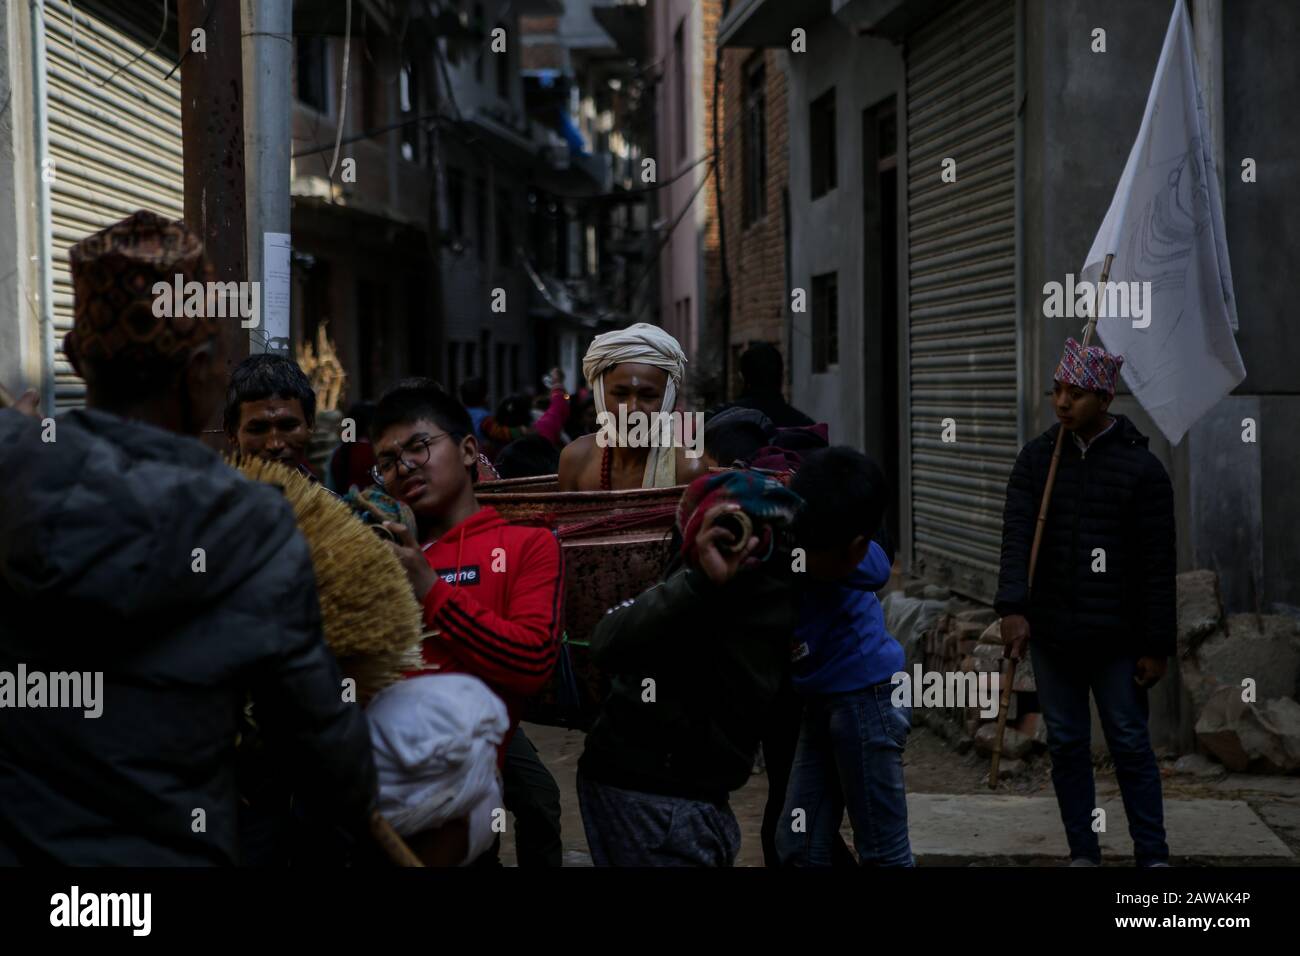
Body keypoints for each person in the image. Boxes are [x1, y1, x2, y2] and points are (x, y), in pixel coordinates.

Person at [0, 210, 375, 865]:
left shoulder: (10, 470)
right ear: (203, 368)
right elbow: (320, 750)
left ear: (72, 356)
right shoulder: (255, 527)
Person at [995, 338, 1174, 868]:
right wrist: (1012, 608)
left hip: (1117, 640)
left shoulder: (1142, 472)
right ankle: (1083, 853)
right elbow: (1015, 539)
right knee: (1068, 744)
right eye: (1058, 390)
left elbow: (1157, 565)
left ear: (1105, 398)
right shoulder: (1036, 461)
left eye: (1077, 393)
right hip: (1053, 634)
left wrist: (1157, 643)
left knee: (1129, 743)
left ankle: (1153, 855)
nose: (1062, 403)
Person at [370, 378, 564, 865]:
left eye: (419, 446)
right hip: (367, 813)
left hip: (461, 818)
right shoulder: (375, 557)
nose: (404, 465)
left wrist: (429, 589)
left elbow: (532, 661)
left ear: (470, 449)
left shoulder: (527, 546)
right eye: (388, 462)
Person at [577, 470, 803, 866]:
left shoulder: (778, 590)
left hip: (699, 797)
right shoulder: (685, 584)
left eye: (756, 525)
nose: (739, 538)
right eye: (724, 523)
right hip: (645, 792)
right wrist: (699, 585)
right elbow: (606, 644)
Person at [775, 447, 912, 867]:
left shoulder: (856, 554)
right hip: (822, 699)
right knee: (798, 846)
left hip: (865, 700)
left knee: (883, 853)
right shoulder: (787, 535)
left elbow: (875, 570)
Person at [558, 323, 708, 491]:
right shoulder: (575, 460)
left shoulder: (688, 470)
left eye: (648, 396)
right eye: (620, 394)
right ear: (600, 395)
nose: (633, 409)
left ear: (670, 400)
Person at [224, 353, 317, 475]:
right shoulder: (208, 494)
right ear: (232, 434)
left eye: (288, 427)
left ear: (309, 425)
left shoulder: (325, 494)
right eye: (257, 430)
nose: (275, 445)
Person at [707, 342, 814, 428]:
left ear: (743, 377)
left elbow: (691, 448)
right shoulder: (808, 427)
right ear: (781, 376)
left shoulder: (714, 419)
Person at [479, 368, 570, 462]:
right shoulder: (542, 429)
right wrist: (557, 384)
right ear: (529, 414)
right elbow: (558, 407)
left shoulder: (486, 446)